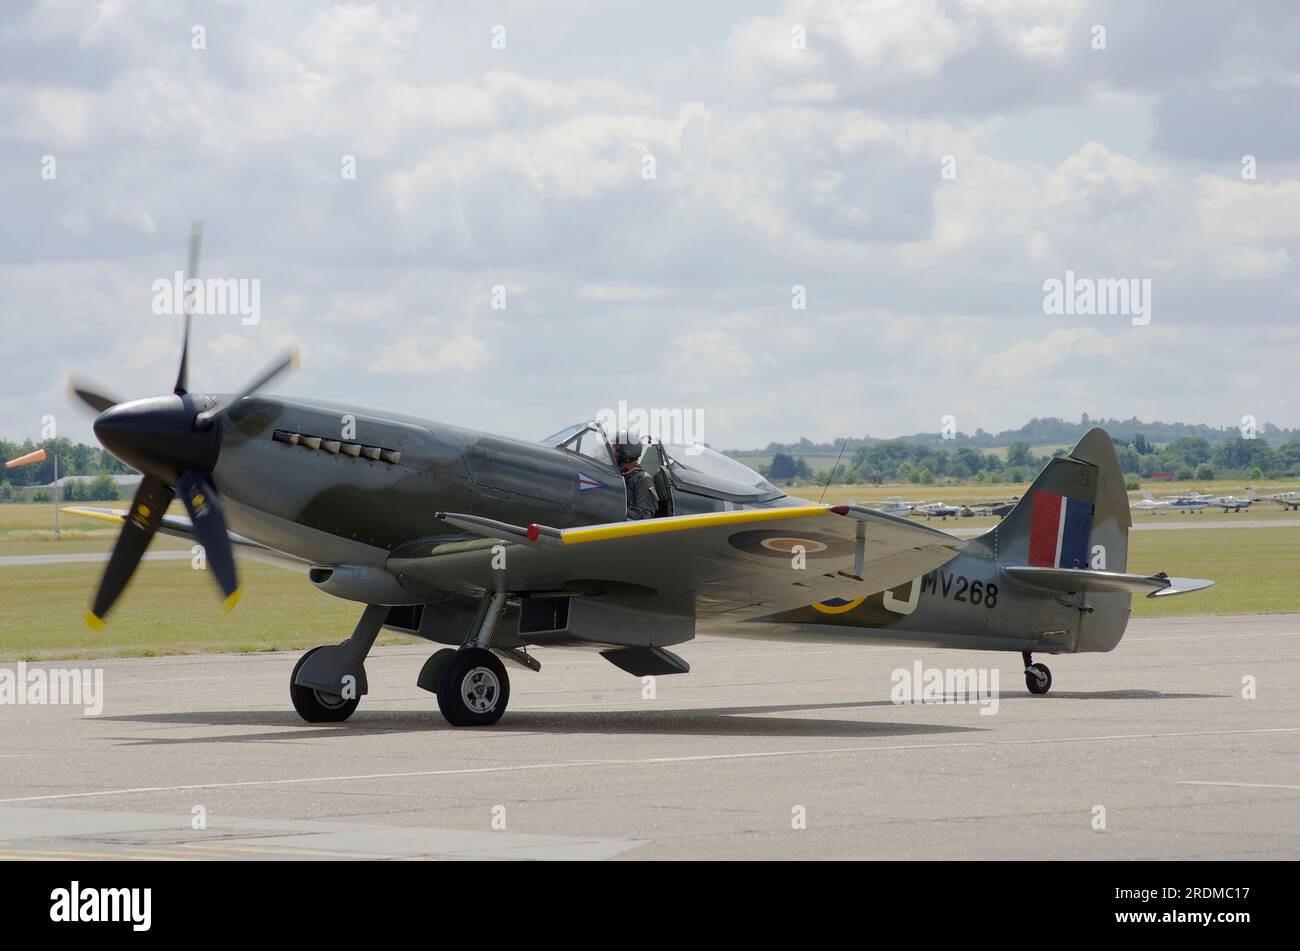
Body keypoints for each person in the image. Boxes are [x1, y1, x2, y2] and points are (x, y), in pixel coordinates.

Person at [611, 431, 658, 520]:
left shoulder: (643, 479)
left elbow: (646, 515)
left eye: (615, 447)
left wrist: (616, 510)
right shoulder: (617, 475)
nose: (612, 451)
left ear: (626, 451)